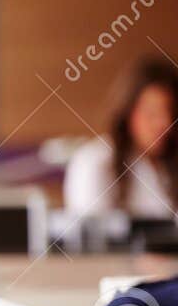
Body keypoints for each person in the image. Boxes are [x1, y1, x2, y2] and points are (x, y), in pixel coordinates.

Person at [63, 56, 178, 236]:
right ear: (128, 111)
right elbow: (91, 243)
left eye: (170, 112)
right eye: (152, 113)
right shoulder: (95, 162)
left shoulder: (167, 163)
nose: (164, 123)